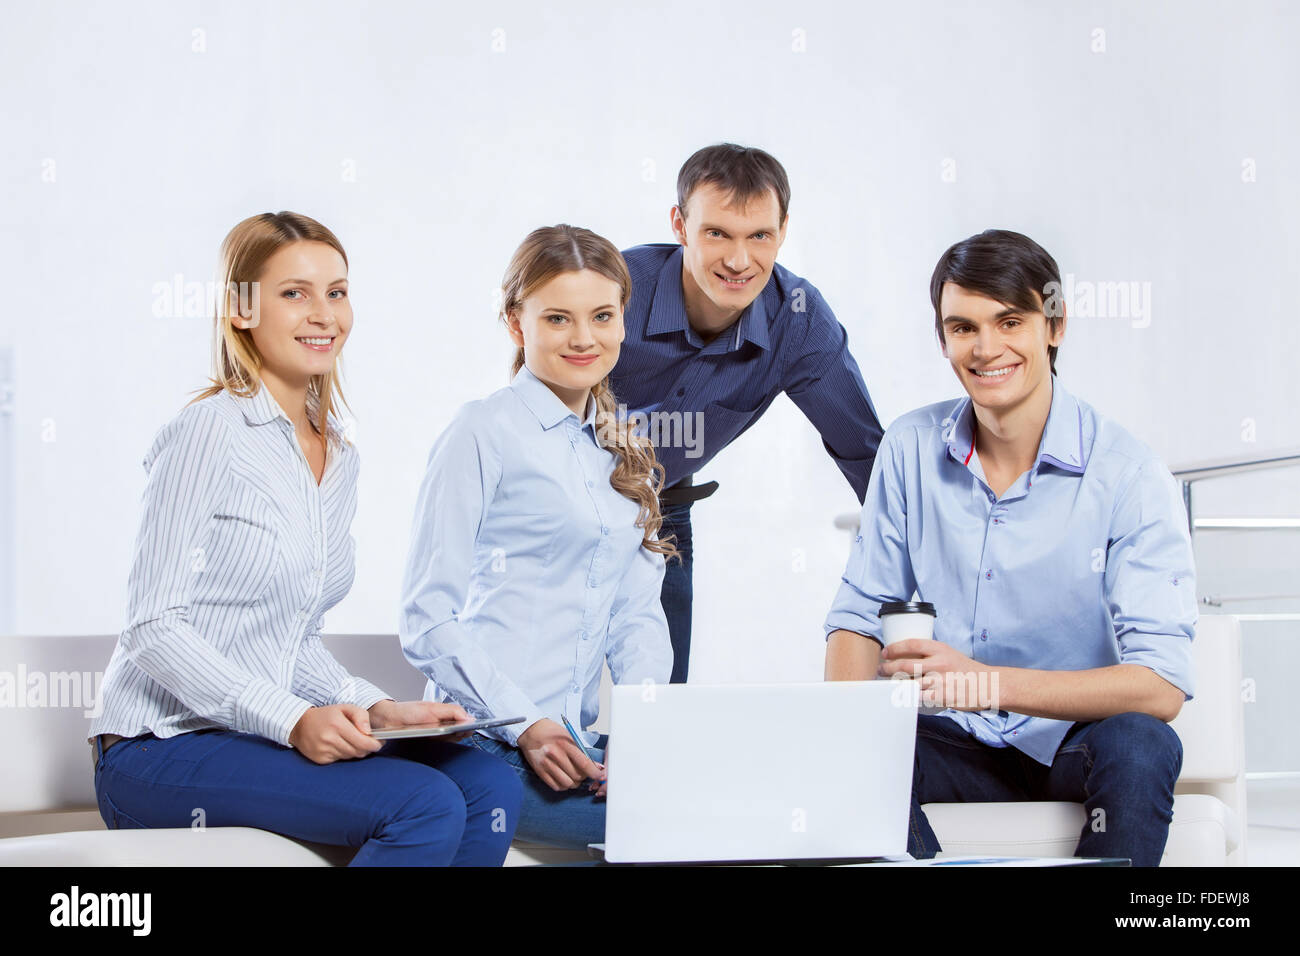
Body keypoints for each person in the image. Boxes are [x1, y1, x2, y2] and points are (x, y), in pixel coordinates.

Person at [89, 211, 522, 866]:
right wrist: (289, 719)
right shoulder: (209, 433)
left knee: (489, 782)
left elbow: (290, 639)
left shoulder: (338, 454)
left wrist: (375, 708)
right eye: (295, 293)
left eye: (337, 292)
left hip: (249, 737)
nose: (324, 314)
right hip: (157, 749)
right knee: (422, 804)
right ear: (240, 309)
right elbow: (153, 627)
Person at [824, 229, 1197, 866]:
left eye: (1010, 321)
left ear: (1054, 326)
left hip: (1072, 748)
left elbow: (1160, 685)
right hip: (952, 743)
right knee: (846, 746)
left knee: (1142, 742)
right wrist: (850, 730)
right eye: (963, 327)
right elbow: (860, 614)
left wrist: (985, 683)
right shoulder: (910, 448)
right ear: (943, 340)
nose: (987, 347)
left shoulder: (1128, 474)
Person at [399, 224, 674, 850]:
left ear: (623, 321)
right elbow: (426, 616)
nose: (584, 338)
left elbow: (637, 620)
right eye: (558, 318)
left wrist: (643, 733)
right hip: (480, 740)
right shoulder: (482, 431)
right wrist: (527, 725)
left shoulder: (620, 453)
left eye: (602, 315)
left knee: (728, 797)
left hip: (572, 746)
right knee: (676, 829)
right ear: (516, 323)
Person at [611, 143, 884, 683]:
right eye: (717, 233)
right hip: (559, 503)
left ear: (783, 230)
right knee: (537, 698)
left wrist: (940, 568)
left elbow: (867, 455)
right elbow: (538, 395)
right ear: (680, 224)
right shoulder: (617, 286)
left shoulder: (798, 322)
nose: (739, 261)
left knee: (658, 708)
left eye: (758, 236)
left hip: (661, 510)